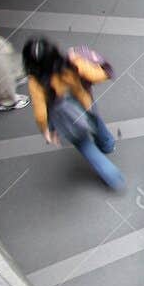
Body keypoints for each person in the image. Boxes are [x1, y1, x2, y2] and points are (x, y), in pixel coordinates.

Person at [23, 37, 125, 191]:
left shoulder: (35, 81)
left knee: (84, 145)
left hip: (65, 118)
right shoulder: (70, 63)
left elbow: (40, 113)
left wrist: (46, 130)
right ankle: (107, 145)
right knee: (96, 122)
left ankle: (113, 177)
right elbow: (96, 75)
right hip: (84, 103)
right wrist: (100, 65)